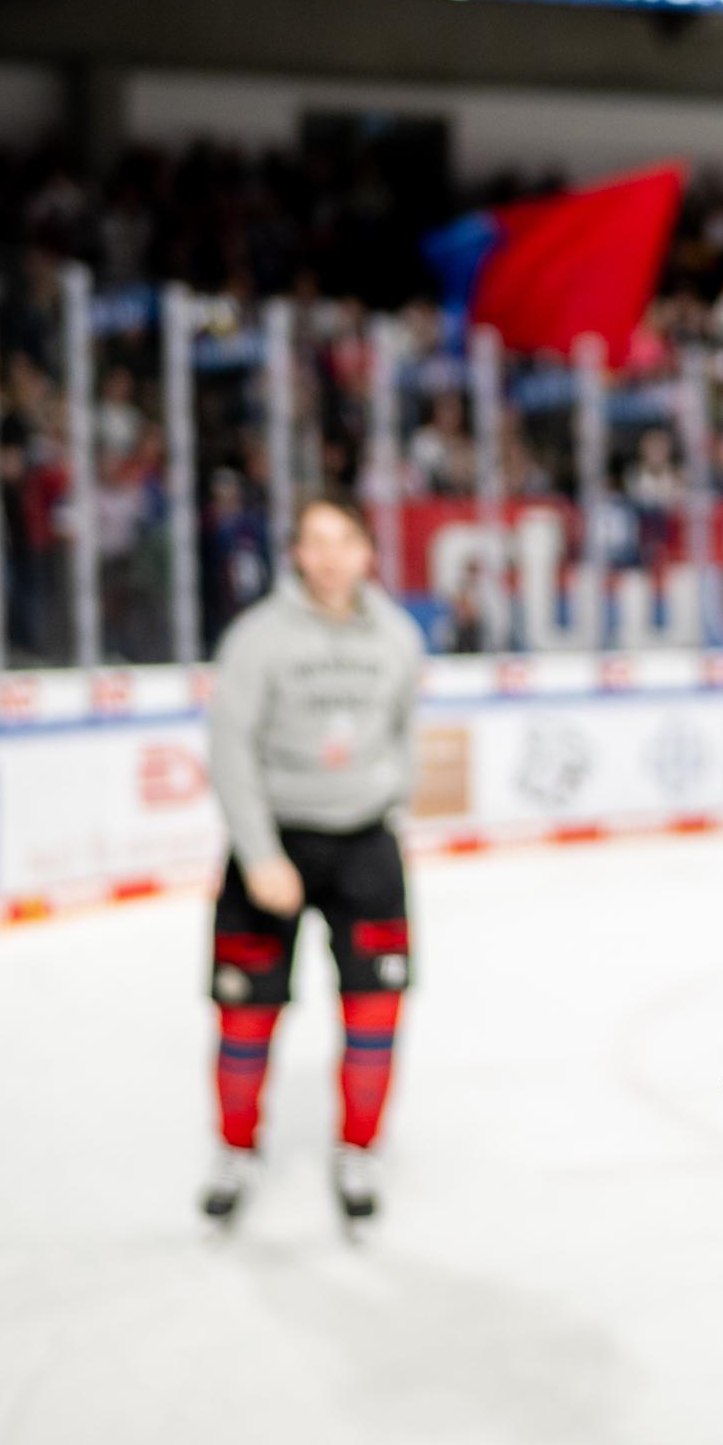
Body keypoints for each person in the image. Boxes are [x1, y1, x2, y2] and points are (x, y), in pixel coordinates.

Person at [200, 497, 426, 1225]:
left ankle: (359, 1149)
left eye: (344, 540)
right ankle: (237, 1149)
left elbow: (405, 730)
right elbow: (230, 750)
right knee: (246, 1012)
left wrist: (390, 801)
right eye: (315, 542)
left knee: (375, 1008)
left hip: (366, 845)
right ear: (296, 553)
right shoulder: (257, 638)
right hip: (274, 845)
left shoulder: (397, 635)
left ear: (367, 551)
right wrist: (260, 854)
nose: (330, 557)